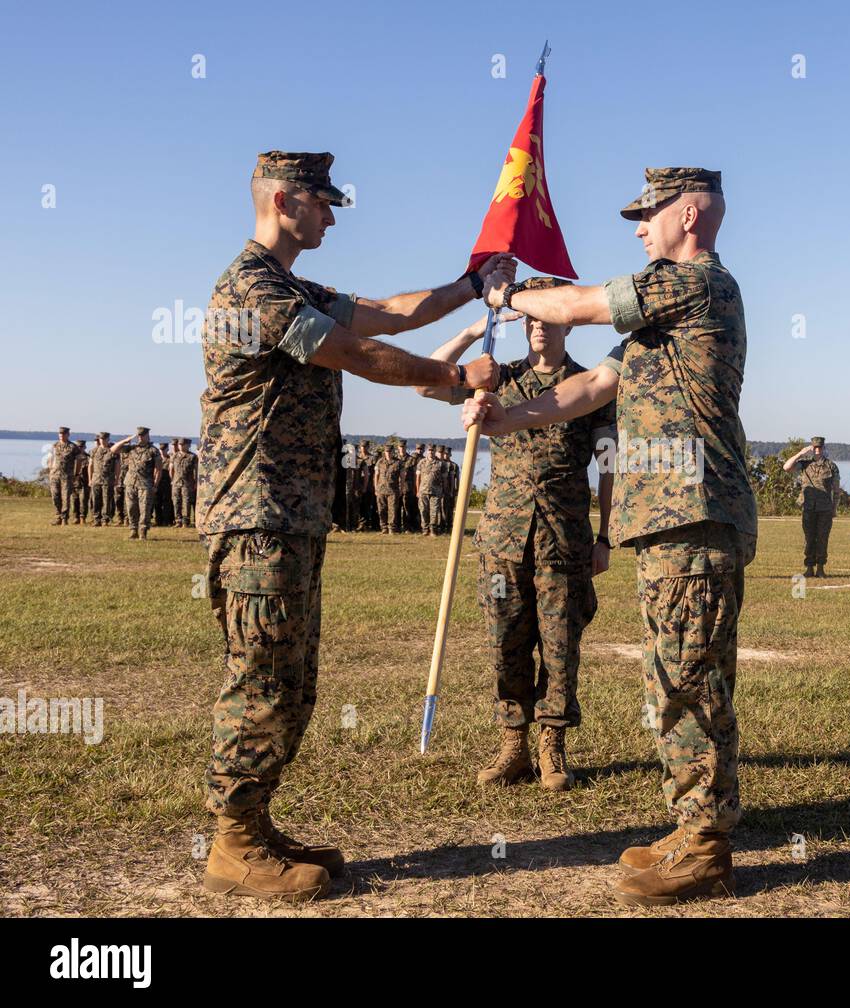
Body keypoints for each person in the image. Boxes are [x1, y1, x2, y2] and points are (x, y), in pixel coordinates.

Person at [197, 149, 509, 903]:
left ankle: (256, 823)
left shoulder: (294, 286)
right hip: (257, 518)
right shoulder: (253, 291)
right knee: (262, 679)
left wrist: (473, 287)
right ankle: (232, 843)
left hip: (291, 518)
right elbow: (354, 352)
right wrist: (451, 375)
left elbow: (390, 314)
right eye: (322, 202)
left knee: (294, 681)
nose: (332, 215)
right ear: (282, 200)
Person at [465, 166, 756, 907]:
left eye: (647, 214)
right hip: (669, 522)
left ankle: (704, 846)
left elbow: (582, 304)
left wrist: (504, 292)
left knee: (689, 682)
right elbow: (590, 389)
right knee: (676, 677)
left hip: (692, 516)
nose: (637, 227)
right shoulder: (662, 318)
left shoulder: (695, 284)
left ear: (688, 214)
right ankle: (694, 828)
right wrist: (508, 417)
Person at [422, 278, 616, 791]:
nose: (535, 325)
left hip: (563, 538)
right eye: (529, 318)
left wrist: (604, 537)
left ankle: (552, 746)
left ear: (566, 322)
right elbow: (426, 383)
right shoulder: (497, 380)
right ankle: (513, 744)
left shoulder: (592, 388)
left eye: (545, 317)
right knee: (505, 641)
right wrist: (470, 330)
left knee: (559, 646)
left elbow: (608, 467)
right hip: (503, 540)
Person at [785, 437, 839, 575]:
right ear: (811, 448)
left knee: (822, 538)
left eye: (819, 448)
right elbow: (786, 467)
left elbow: (836, 490)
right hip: (808, 507)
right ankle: (809, 567)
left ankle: (820, 568)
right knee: (809, 538)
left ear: (823, 448)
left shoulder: (831, 466)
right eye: (814, 448)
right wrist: (800, 453)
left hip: (825, 508)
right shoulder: (804, 464)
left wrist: (834, 509)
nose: (817, 450)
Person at [111, 427, 161, 539]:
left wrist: (155, 485)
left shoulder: (153, 450)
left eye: (142, 435)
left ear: (148, 436)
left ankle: (143, 531)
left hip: (145, 484)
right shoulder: (131, 448)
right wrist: (124, 441)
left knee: (144, 509)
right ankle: (133, 530)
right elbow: (113, 450)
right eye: (138, 435)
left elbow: (158, 470)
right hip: (130, 483)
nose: (140, 437)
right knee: (131, 507)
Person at [48, 427, 78, 526]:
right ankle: (58, 516)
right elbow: (51, 458)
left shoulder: (73, 447)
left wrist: (75, 473)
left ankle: (65, 518)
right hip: (55, 475)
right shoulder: (55, 445)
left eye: (63, 434)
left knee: (66, 497)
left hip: (67, 476)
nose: (61, 435)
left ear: (68, 435)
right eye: (60, 434)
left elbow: (79, 460)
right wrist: (50, 469)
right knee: (55, 496)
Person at [89, 432, 116, 526]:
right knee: (96, 500)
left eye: (104, 439)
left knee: (107, 500)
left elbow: (117, 466)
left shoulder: (112, 451)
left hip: (108, 479)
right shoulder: (94, 451)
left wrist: (116, 478)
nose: (102, 440)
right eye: (101, 439)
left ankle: (105, 519)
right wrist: (90, 479)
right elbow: (90, 465)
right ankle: (96, 519)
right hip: (96, 479)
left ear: (108, 439)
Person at [172, 438, 198, 528]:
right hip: (176, 482)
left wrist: (195, 482)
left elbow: (196, 471)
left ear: (188, 445)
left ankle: (185, 521)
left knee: (186, 502)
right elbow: (171, 469)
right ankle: (178, 521)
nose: (181, 446)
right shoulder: (175, 456)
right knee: (176, 501)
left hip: (187, 483)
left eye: (183, 444)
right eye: (179, 444)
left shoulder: (192, 456)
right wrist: (172, 480)